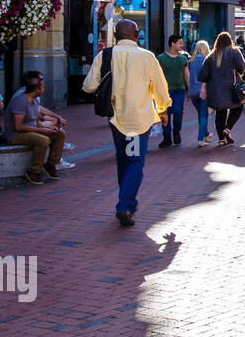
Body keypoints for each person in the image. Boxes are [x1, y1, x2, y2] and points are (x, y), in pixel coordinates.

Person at [82, 19, 171, 225]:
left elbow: (88, 86)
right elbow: (159, 87)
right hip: (139, 119)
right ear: (137, 34)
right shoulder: (147, 57)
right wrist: (163, 110)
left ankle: (127, 202)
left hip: (115, 117)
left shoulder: (104, 55)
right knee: (135, 161)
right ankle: (125, 204)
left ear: (115, 35)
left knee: (123, 160)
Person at [3, 71, 66, 185]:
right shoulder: (21, 101)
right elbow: (18, 126)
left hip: (31, 130)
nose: (43, 89)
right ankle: (33, 171)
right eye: (42, 87)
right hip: (16, 134)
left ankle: (50, 164)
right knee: (43, 140)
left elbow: (36, 119)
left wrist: (50, 125)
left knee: (60, 134)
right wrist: (43, 130)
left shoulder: (34, 100)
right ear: (36, 89)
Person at [197, 32, 245, 148]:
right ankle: (227, 129)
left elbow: (202, 75)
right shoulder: (234, 51)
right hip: (231, 89)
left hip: (215, 91)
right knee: (239, 107)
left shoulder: (211, 56)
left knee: (220, 114)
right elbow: (243, 67)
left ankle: (221, 140)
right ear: (230, 41)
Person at [156, 34, 191, 148]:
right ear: (172, 43)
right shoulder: (160, 58)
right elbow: (155, 76)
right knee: (165, 114)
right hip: (164, 92)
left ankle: (176, 133)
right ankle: (167, 138)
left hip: (179, 91)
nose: (183, 45)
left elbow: (186, 75)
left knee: (177, 112)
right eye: (180, 43)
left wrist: (188, 90)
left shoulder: (183, 59)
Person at [187, 39, 213, 147]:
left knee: (200, 114)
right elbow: (207, 76)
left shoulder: (190, 60)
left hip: (193, 91)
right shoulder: (206, 60)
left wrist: (188, 90)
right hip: (203, 91)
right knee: (203, 116)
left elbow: (188, 77)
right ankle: (200, 139)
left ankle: (206, 134)